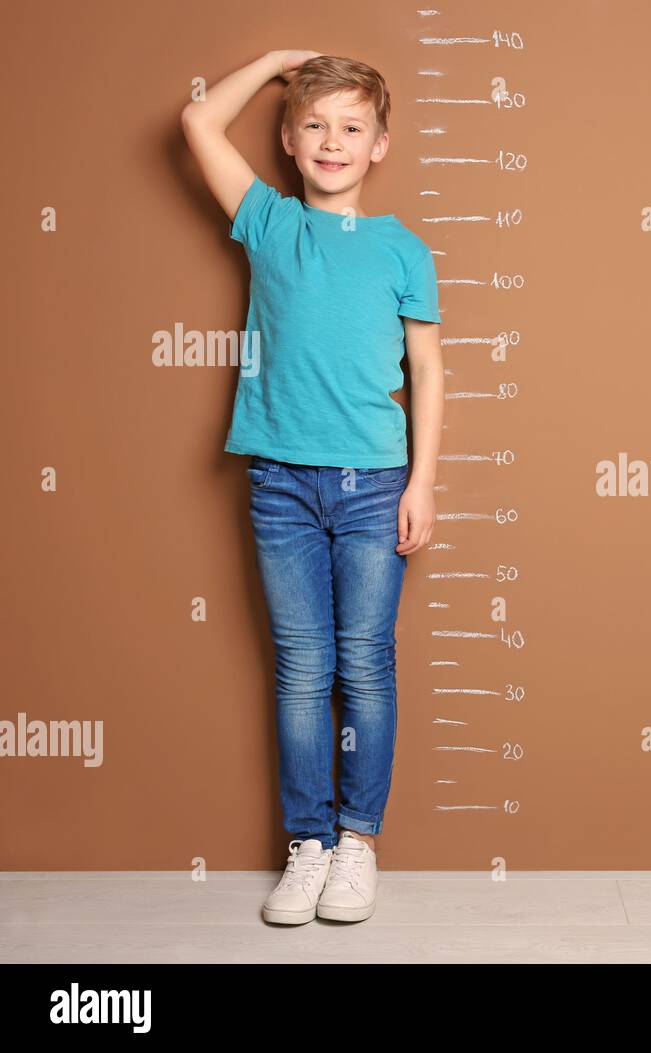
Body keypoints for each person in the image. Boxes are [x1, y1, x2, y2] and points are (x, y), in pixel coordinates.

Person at [181, 51, 444, 924]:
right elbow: (195, 125)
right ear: (292, 141)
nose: (334, 141)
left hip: (375, 484)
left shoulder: (402, 247)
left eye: (353, 127)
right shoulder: (269, 223)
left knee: (366, 663)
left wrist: (423, 482)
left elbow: (429, 373)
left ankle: (358, 842)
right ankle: (309, 844)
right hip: (282, 484)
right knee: (303, 667)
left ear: (379, 147)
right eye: (317, 124)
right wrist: (276, 66)